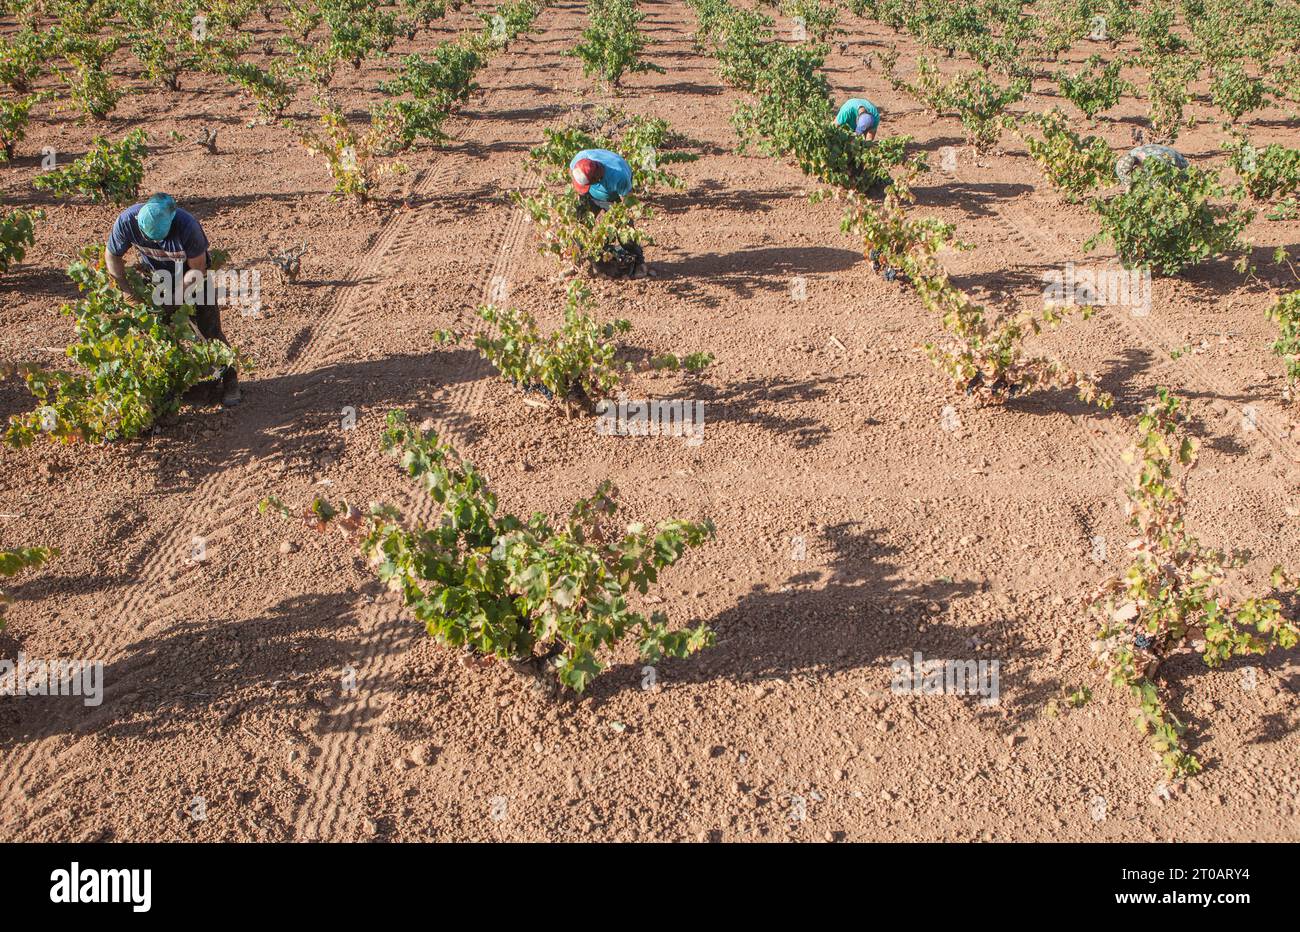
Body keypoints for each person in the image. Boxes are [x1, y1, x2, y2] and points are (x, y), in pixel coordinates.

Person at [104, 193, 240, 406]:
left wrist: (175, 297)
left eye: (160, 239)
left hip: (193, 279)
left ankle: (230, 379)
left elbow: (198, 270)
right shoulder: (127, 221)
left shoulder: (188, 227)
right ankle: (177, 386)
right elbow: (112, 256)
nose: (156, 243)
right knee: (162, 336)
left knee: (209, 331)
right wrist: (127, 292)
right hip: (158, 279)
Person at [568, 148, 646, 279]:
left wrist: (619, 219)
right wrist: (580, 192)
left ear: (597, 177)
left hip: (614, 199)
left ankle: (639, 263)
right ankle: (577, 264)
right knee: (579, 228)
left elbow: (628, 202)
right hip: (590, 196)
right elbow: (571, 171)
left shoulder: (618, 176)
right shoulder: (580, 159)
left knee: (624, 232)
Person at [1115, 144, 1188, 187]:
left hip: (1180, 167)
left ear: (1135, 167)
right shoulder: (1133, 154)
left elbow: (1159, 185)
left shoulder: (1153, 164)